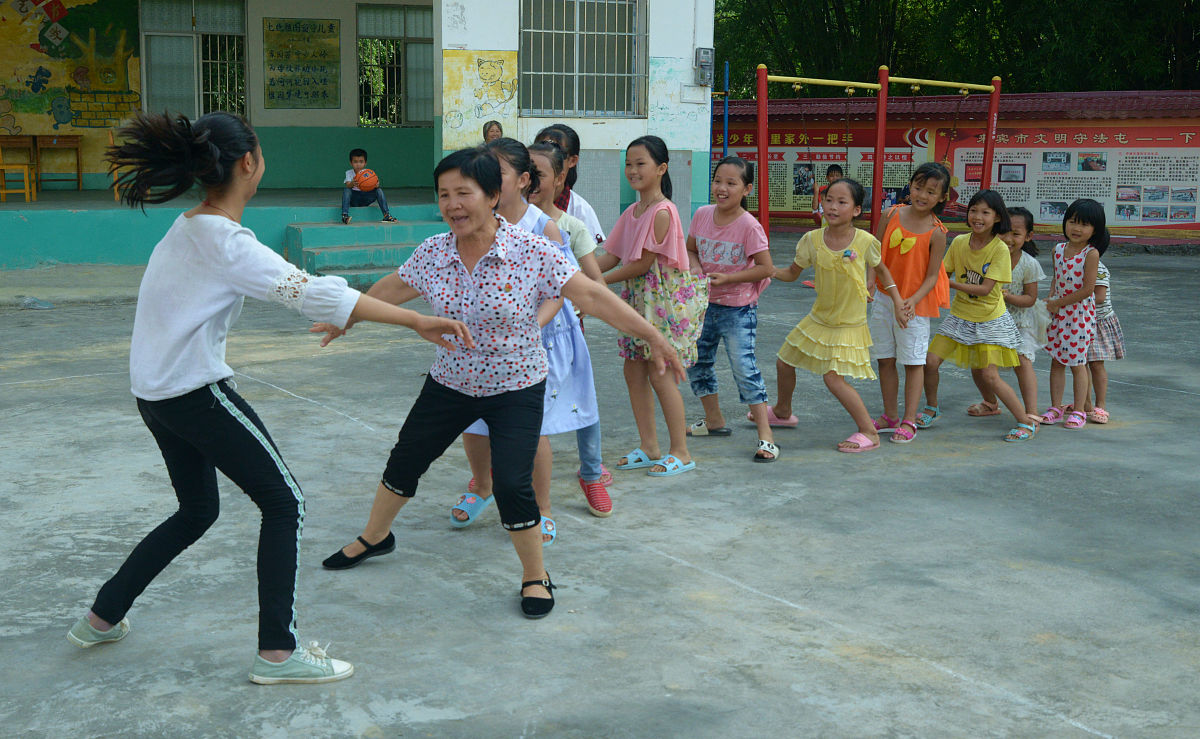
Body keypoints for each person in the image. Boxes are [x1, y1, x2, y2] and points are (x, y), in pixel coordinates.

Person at [70, 111, 472, 685]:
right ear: (249, 164)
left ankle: (102, 616)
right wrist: (415, 320)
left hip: (155, 394)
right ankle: (278, 653)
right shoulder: (225, 241)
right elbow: (310, 293)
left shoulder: (188, 226)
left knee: (196, 510)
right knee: (286, 504)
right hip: (192, 392)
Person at [316, 146, 685, 619]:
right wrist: (350, 316)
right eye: (444, 194)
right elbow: (393, 286)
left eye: (463, 193)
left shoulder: (533, 252)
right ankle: (375, 536)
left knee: (513, 483)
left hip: (515, 386)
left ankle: (535, 574)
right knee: (406, 458)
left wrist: (654, 335)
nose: (452, 204)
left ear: (493, 195)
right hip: (450, 381)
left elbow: (591, 295)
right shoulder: (434, 252)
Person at [454, 137, 575, 543]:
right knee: (472, 423)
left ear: (523, 180)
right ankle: (483, 487)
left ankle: (542, 508)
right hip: (476, 346)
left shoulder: (544, 227)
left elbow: (559, 292)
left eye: (497, 173)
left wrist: (529, 327)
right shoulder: (469, 219)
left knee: (529, 431)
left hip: (528, 347)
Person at [768, 177, 907, 452]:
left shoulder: (865, 241)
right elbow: (791, 273)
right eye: (828, 199)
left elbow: (883, 273)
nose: (832, 206)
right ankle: (782, 411)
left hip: (848, 324)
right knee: (784, 361)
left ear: (856, 210)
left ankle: (869, 432)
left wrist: (899, 301)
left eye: (842, 202)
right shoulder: (812, 239)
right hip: (819, 318)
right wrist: (765, 270)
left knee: (832, 378)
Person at [597, 135, 707, 476]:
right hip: (637, 301)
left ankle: (681, 450)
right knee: (633, 370)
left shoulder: (663, 211)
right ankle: (649, 446)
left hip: (661, 303)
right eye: (628, 163)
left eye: (640, 163)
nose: (632, 170)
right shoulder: (632, 211)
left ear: (661, 169)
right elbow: (610, 256)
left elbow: (642, 265)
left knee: (660, 375)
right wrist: (574, 274)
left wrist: (594, 285)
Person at [528, 140, 613, 515]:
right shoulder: (500, 222)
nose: (530, 181)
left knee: (583, 403)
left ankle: (591, 474)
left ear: (561, 178)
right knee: (516, 410)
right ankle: (490, 476)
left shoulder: (571, 226)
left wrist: (583, 296)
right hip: (515, 336)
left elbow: (595, 282)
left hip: (563, 332)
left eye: (540, 175)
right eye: (523, 173)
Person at [924, 190, 1040, 442]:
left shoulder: (999, 249)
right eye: (974, 210)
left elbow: (987, 289)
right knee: (930, 362)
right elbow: (941, 271)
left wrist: (948, 284)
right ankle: (931, 408)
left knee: (989, 375)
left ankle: (1025, 421)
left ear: (997, 217)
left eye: (985, 212)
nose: (977, 217)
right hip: (960, 317)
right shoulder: (959, 242)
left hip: (990, 320)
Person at [684, 156, 777, 462]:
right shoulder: (702, 214)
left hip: (738, 309)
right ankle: (714, 420)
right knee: (697, 362)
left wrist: (729, 278)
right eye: (717, 181)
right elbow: (690, 248)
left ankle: (766, 437)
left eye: (731, 183)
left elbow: (766, 268)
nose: (721, 188)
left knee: (744, 367)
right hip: (704, 305)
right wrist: (697, 269)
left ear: (747, 189)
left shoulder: (750, 226)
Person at [869, 162, 951, 443]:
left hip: (913, 307)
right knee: (885, 359)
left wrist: (910, 302)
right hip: (883, 298)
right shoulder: (890, 213)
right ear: (910, 186)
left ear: (941, 198)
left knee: (913, 362)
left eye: (931, 192)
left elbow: (932, 276)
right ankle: (890, 415)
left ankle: (909, 419)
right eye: (918, 187)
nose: (922, 195)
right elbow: (874, 254)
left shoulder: (937, 232)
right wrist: (869, 282)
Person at [966, 206, 1044, 421]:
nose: (1008, 238)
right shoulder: (986, 257)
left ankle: (1032, 412)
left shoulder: (1029, 264)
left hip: (1019, 323)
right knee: (979, 365)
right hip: (988, 320)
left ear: (1028, 236)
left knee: (1022, 362)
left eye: (1016, 234)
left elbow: (1030, 300)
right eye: (1004, 232)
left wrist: (1007, 297)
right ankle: (990, 402)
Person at [1040, 198, 1106, 429]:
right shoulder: (1057, 249)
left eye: (1084, 224)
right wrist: (1051, 301)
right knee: (1057, 361)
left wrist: (1059, 302)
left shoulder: (1091, 254)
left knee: (1078, 363)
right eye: (1072, 221)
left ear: (1095, 229)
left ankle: (1079, 411)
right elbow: (1057, 279)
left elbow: (1088, 289)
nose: (1076, 228)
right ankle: (1056, 407)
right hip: (1059, 314)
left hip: (1079, 316)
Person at [534, 124, 605, 246]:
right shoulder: (516, 203)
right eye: (540, 151)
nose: (546, 160)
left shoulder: (581, 211)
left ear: (572, 161)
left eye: (556, 154)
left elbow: (587, 261)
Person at [1077, 258, 1123, 423]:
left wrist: (1070, 300)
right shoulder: (1073, 263)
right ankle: (1085, 404)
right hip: (1080, 319)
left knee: (1096, 363)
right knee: (1080, 364)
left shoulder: (1098, 267)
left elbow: (1100, 296)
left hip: (1098, 321)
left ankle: (1100, 406)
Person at [341, 148, 397, 225]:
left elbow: (376, 183)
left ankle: (386, 215)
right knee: (346, 190)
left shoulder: (369, 173)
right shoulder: (349, 173)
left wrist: (376, 185)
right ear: (351, 163)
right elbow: (347, 184)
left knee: (379, 190)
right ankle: (345, 216)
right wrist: (352, 183)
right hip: (354, 199)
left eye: (361, 162)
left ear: (365, 163)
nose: (358, 164)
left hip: (366, 198)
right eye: (355, 162)